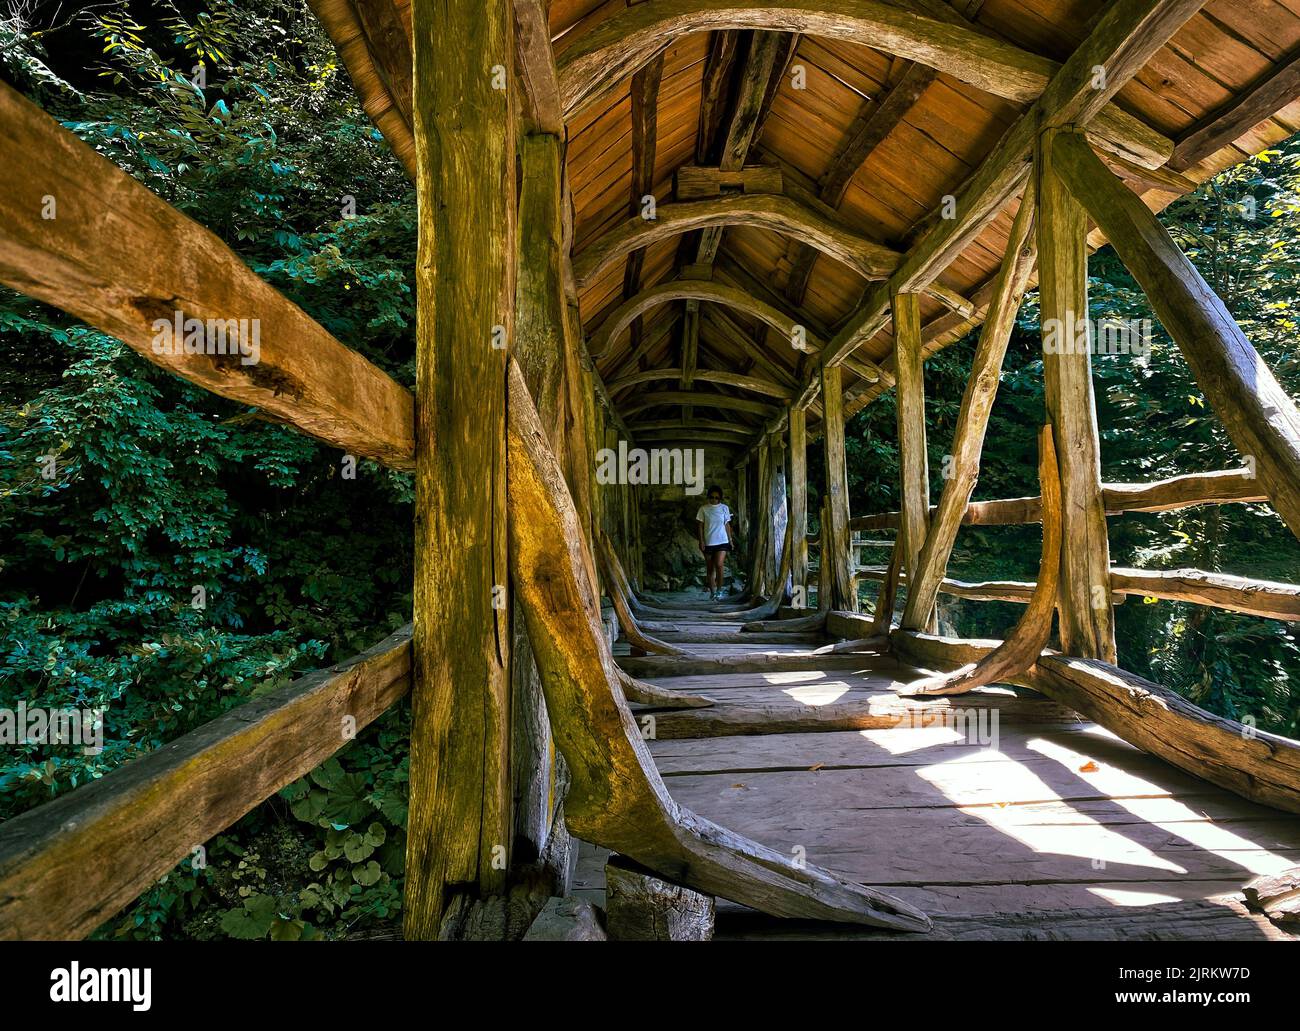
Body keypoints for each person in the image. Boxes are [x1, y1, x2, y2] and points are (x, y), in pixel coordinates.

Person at [695, 486, 734, 601]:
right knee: (710, 568)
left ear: (720, 498)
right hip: (708, 542)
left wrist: (730, 540)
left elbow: (727, 525)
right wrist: (701, 541)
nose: (714, 500)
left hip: (722, 541)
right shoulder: (703, 509)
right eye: (712, 497)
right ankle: (713, 591)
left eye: (717, 498)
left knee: (719, 565)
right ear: (708, 497)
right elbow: (700, 526)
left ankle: (719, 590)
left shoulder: (724, 508)